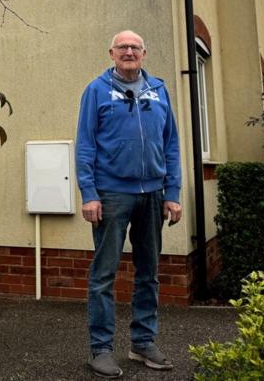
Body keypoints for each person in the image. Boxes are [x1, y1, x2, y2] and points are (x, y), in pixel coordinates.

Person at [75, 30, 182, 378]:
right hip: (111, 194)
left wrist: (172, 192)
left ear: (144, 53)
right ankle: (101, 349)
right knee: (104, 275)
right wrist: (89, 193)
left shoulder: (159, 90)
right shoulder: (96, 91)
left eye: (135, 47)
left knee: (148, 272)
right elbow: (85, 145)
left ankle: (143, 342)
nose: (129, 51)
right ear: (111, 53)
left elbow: (171, 144)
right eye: (123, 47)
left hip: (153, 194)